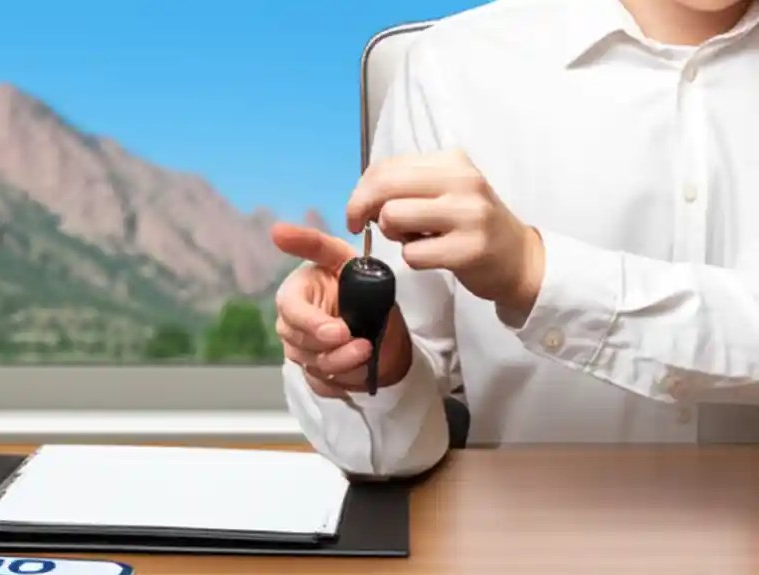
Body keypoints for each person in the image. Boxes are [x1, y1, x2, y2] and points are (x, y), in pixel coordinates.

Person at [273, 0, 759, 477]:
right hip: (515, 523)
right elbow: (391, 451)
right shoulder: (454, 66)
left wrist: (534, 272)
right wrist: (382, 364)